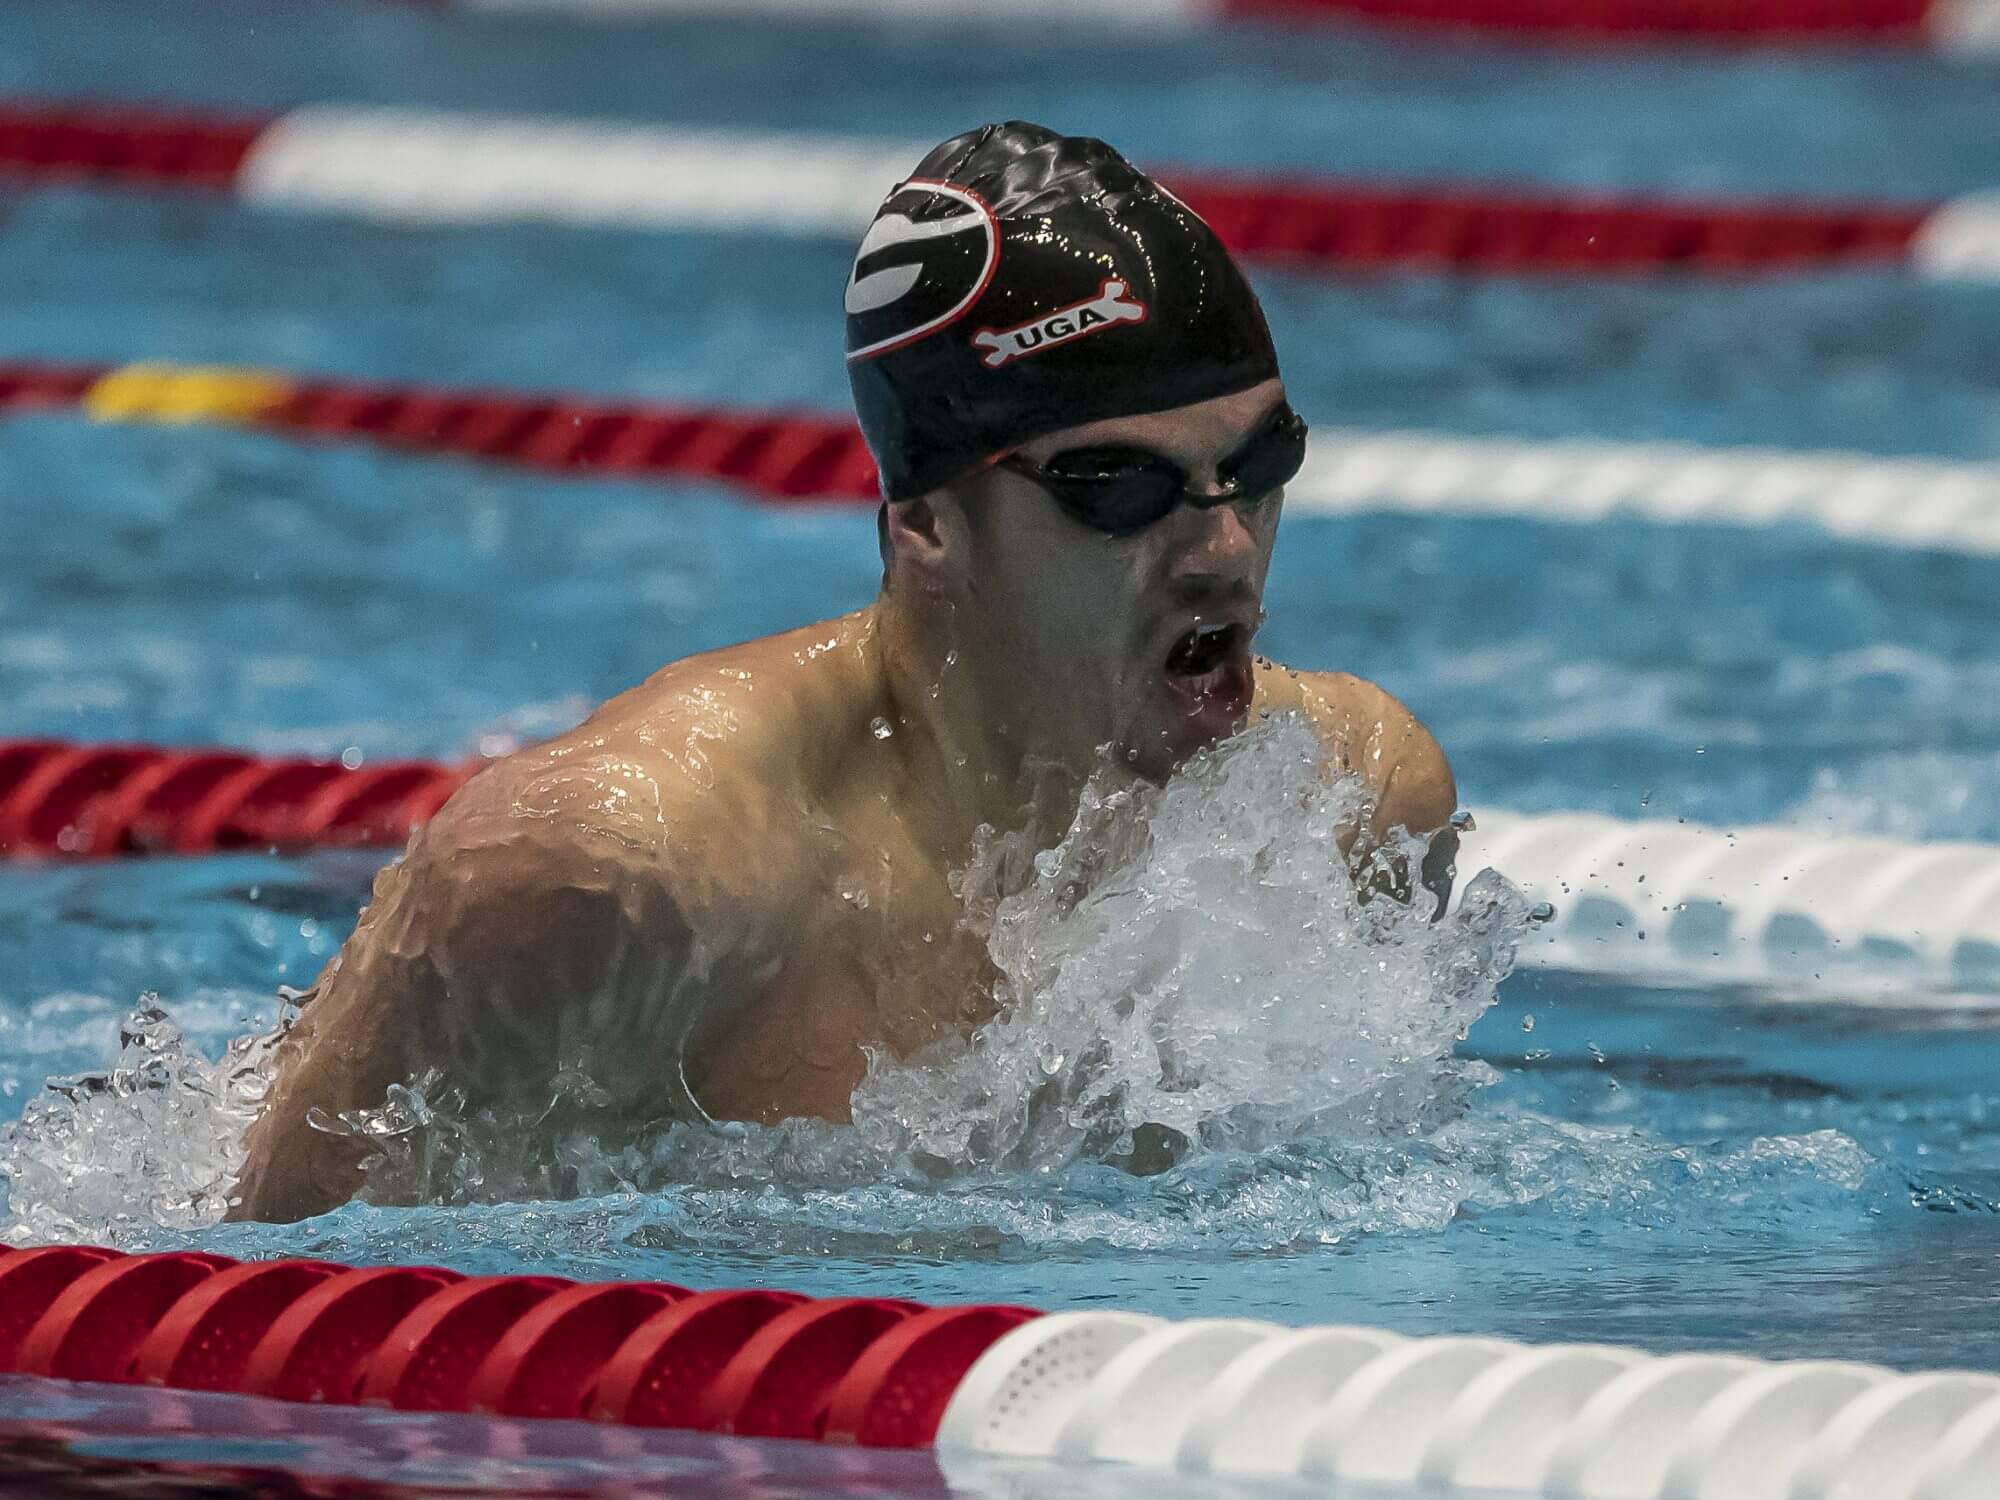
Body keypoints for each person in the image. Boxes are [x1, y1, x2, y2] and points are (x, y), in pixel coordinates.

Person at [230, 122, 1457, 1223]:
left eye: (1258, 462)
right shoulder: (624, 879)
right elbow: (262, 1340)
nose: (1224, 546)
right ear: (924, 523)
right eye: (1116, 488)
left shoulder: (1343, 806)